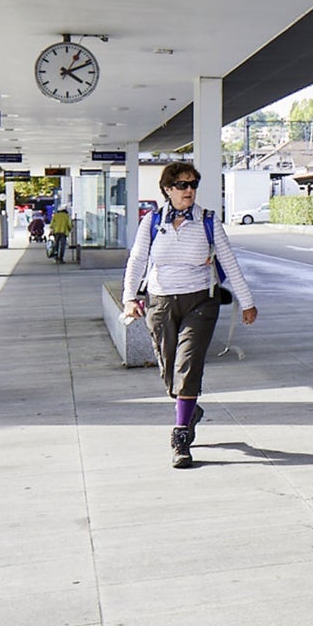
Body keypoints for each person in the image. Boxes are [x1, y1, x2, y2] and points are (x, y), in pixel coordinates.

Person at [121, 163, 258, 468]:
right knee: (171, 371)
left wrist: (247, 302)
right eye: (182, 185)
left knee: (188, 363)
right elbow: (138, 259)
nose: (189, 191)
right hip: (160, 302)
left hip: (201, 301)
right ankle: (190, 409)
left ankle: (181, 435)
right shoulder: (152, 222)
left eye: (193, 184)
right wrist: (129, 297)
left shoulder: (208, 221)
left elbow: (229, 262)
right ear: (167, 189)